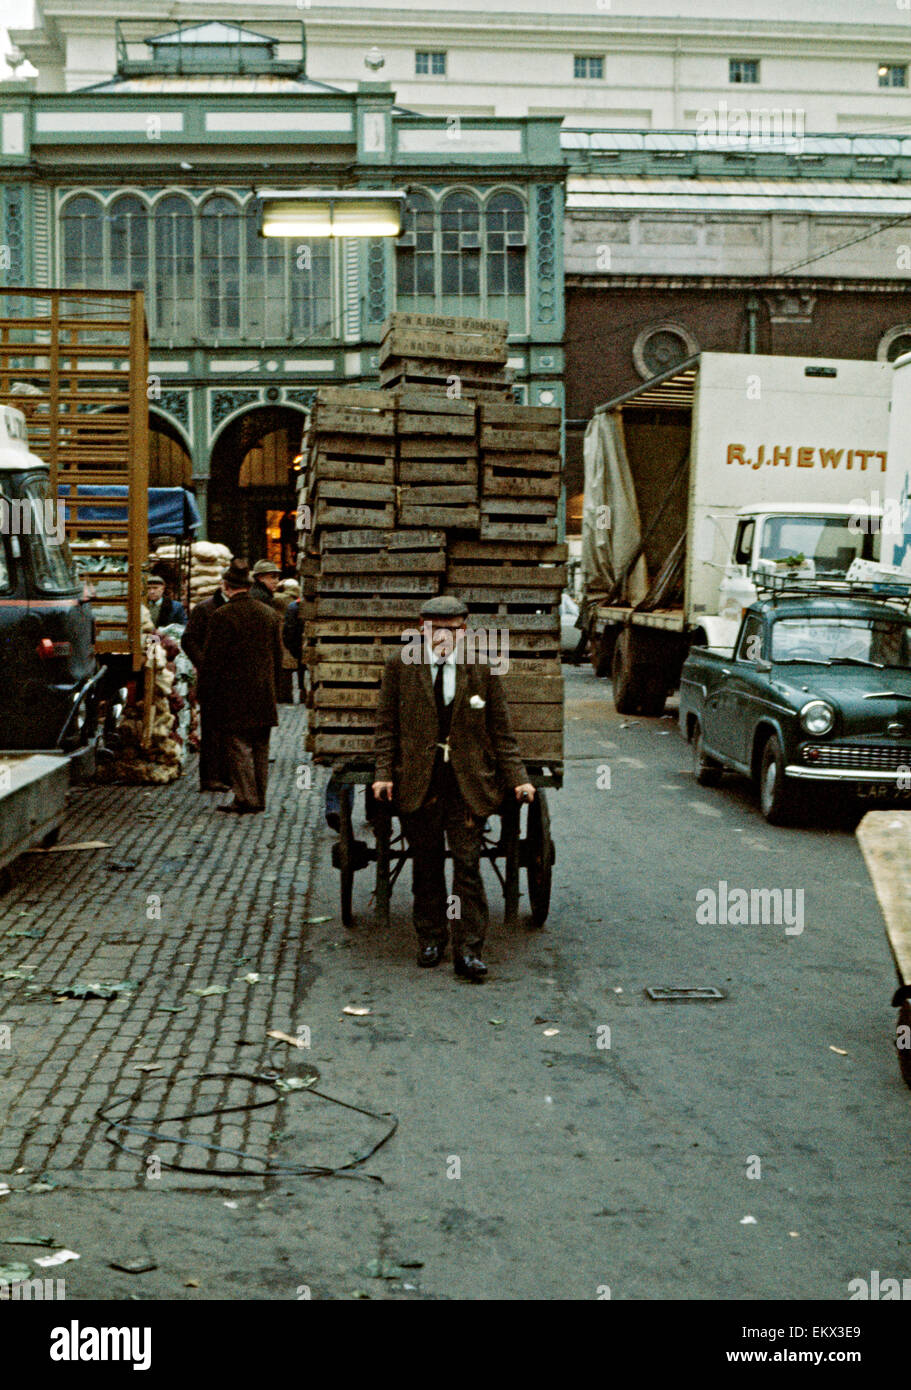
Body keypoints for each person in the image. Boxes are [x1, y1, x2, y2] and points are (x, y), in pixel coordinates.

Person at [373, 594, 536, 982]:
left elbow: (501, 731)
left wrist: (519, 778)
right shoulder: (400, 666)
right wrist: (384, 772)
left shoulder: (481, 667)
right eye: (435, 629)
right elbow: (387, 727)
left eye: (453, 629)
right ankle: (430, 938)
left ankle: (469, 949)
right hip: (420, 780)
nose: (444, 637)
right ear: (421, 629)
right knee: (426, 863)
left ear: (464, 631)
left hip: (466, 783)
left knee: (467, 866)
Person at [197, 559, 283, 815]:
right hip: (263, 693)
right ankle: (260, 796)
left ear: (226, 586)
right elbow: (278, 657)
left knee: (238, 746)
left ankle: (246, 798)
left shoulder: (222, 615)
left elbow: (213, 660)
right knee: (260, 747)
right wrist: (273, 686)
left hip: (233, 695)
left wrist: (205, 692)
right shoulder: (269, 614)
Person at [181, 579, 230, 792]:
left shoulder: (241, 606)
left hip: (237, 679)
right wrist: (205, 664)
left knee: (232, 730)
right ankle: (210, 777)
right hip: (212, 679)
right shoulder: (204, 609)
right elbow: (188, 640)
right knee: (212, 730)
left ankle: (228, 775)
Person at [274, 577, 300, 704]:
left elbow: (272, 596)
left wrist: (278, 585)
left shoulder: (282, 598)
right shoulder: (297, 598)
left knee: (285, 668)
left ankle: (284, 696)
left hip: (283, 634)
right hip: (294, 637)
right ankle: (300, 694)